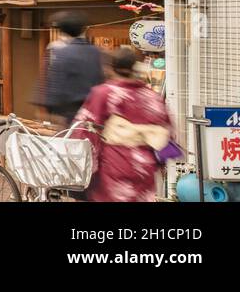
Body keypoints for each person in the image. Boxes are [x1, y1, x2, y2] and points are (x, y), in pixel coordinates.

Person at [73, 47, 175, 202]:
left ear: (110, 68)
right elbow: (166, 130)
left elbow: (84, 128)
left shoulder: (104, 93)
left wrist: (86, 165)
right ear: (134, 67)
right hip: (144, 164)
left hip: (114, 162)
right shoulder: (152, 96)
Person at [35, 12, 104, 126]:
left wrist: (45, 109)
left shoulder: (60, 52)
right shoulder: (95, 51)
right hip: (93, 114)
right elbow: (101, 80)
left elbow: (53, 85)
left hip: (67, 115)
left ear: (62, 31)